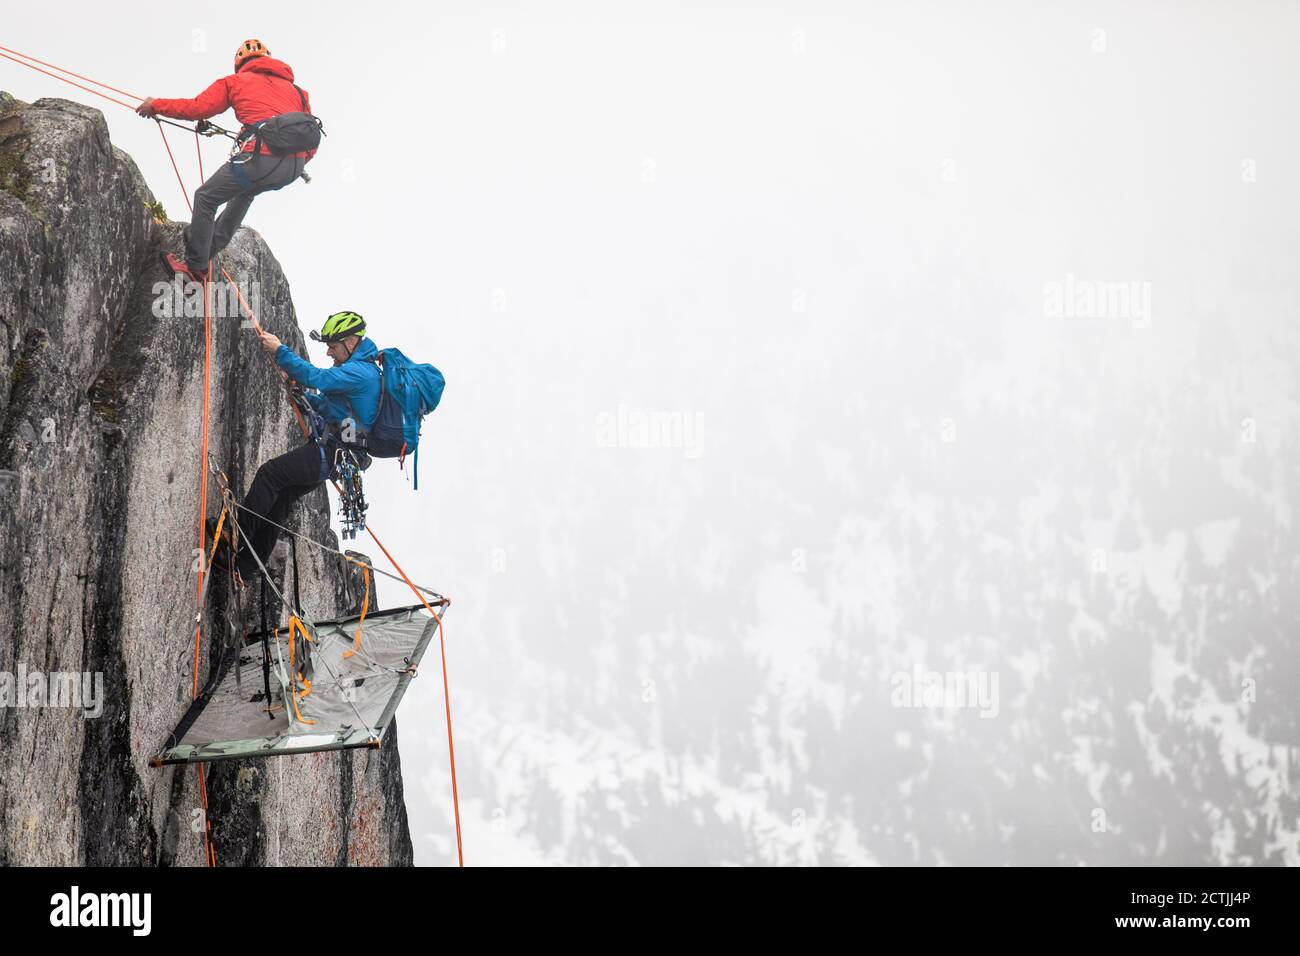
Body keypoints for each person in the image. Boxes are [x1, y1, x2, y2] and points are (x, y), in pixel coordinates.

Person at [213, 312, 379, 582]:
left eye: (333, 346)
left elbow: (318, 378)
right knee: (281, 498)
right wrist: (306, 398)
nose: (329, 353)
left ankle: (233, 536)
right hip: (337, 454)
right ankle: (246, 565)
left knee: (271, 474)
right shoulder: (360, 371)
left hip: (332, 452)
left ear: (351, 342)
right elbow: (331, 407)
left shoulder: (361, 372)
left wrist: (281, 352)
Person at [136, 39, 316, 282]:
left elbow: (197, 108)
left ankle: (195, 267)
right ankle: (207, 251)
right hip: (293, 168)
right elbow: (309, 135)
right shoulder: (298, 92)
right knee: (245, 192)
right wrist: (297, 162)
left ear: (239, 64)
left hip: (260, 160)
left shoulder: (235, 81)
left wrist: (156, 105)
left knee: (206, 197)